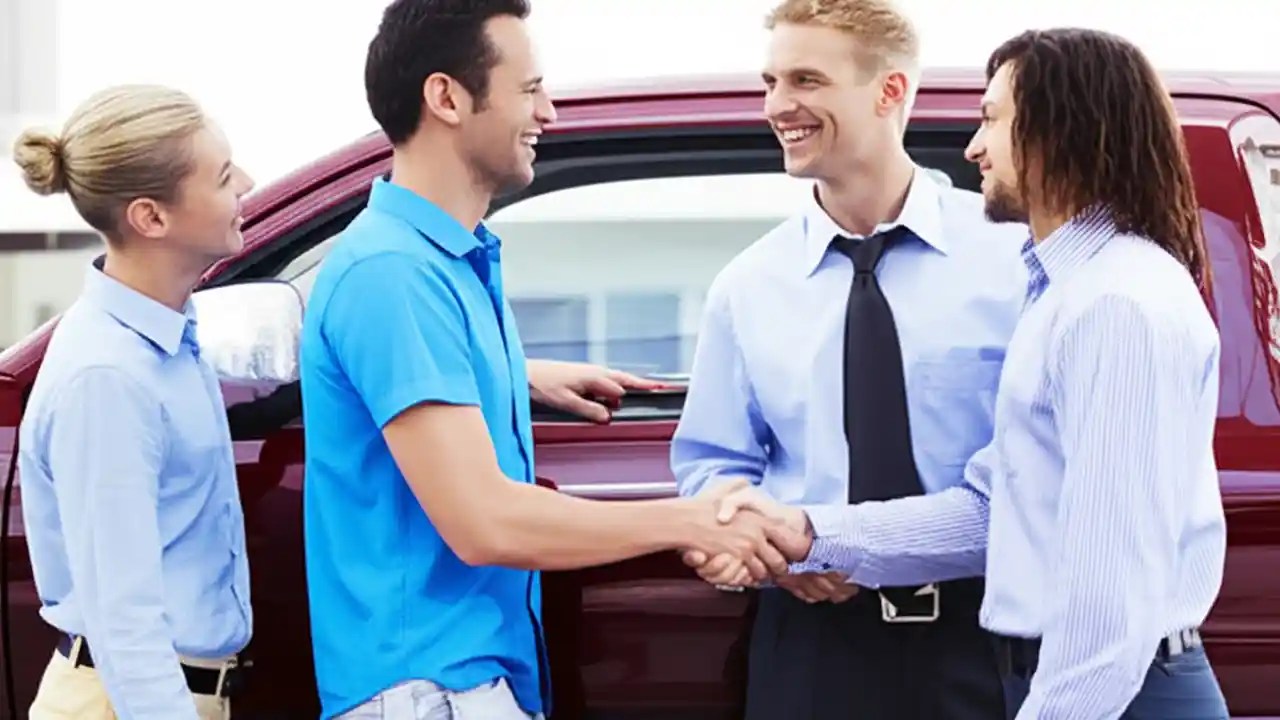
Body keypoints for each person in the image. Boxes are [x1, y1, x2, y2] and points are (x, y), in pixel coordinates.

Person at [297, 1, 798, 718]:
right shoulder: (392, 275)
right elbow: (487, 522)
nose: (550, 113)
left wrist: (513, 374)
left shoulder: (441, 264)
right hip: (430, 691)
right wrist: (692, 519)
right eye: (529, 89)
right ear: (446, 98)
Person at [717, 27, 1231, 719]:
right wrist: (813, 533)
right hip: (1076, 681)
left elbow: (1110, 596)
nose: (972, 148)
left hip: (1111, 691)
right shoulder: (1067, 294)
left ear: (1057, 131)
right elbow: (995, 508)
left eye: (992, 120)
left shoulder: (1114, 306)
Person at [671, 0, 1028, 718]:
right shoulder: (748, 285)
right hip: (814, 646)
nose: (778, 106)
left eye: (805, 80)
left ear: (889, 91)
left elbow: (1043, 469)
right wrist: (774, 548)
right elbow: (712, 465)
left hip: (990, 632)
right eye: (769, 82)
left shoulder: (1014, 257)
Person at [12, 84, 255, 720]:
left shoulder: (165, 338)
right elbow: (125, 624)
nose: (248, 186)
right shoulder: (107, 378)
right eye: (225, 176)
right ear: (151, 218)